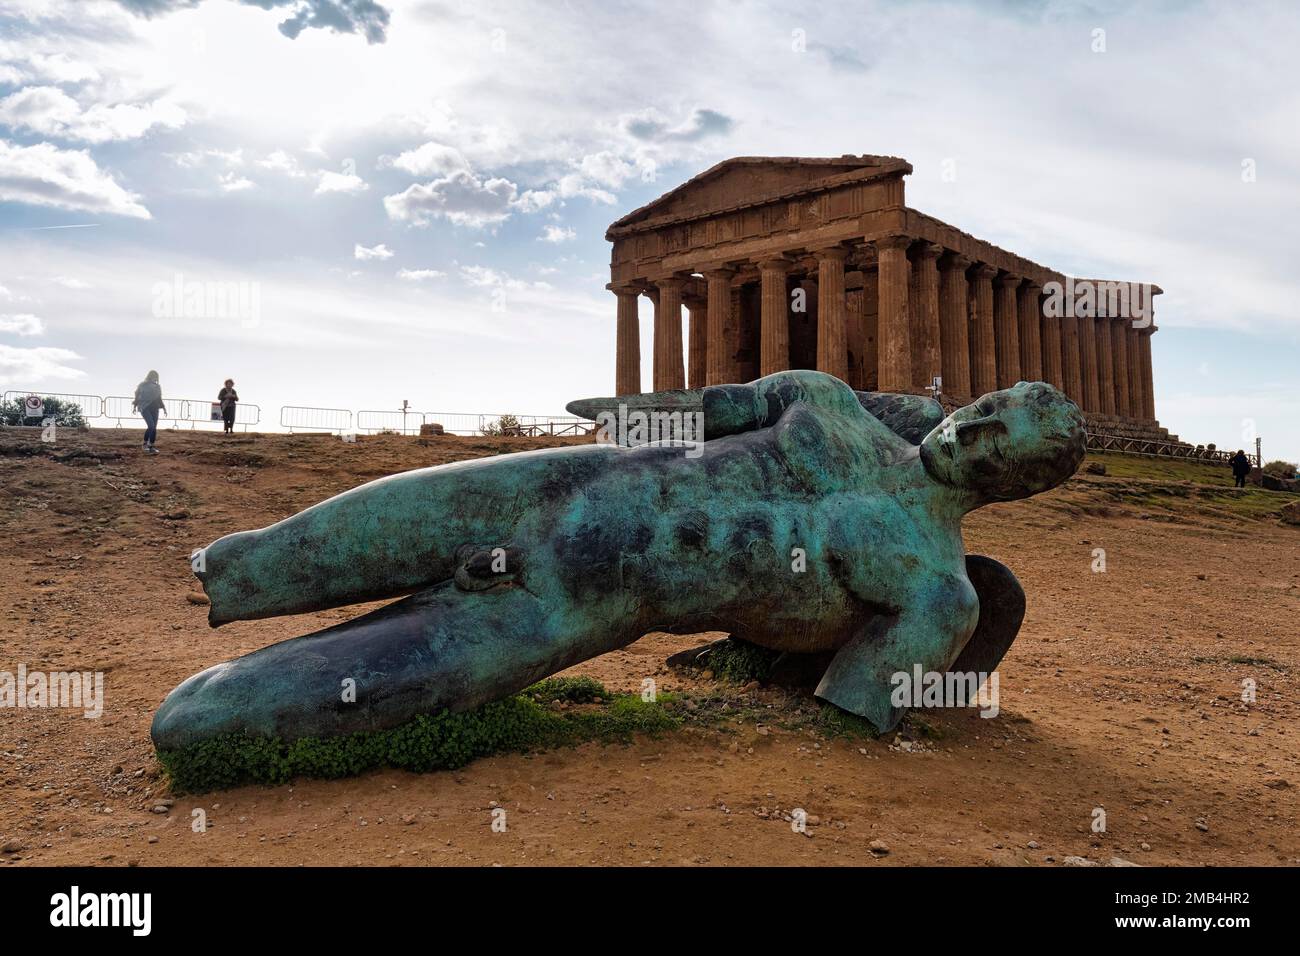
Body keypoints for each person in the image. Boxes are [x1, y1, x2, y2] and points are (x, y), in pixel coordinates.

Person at [154, 372, 1086, 749]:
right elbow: (707, 408)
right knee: (258, 560)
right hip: (564, 482)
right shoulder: (826, 402)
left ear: (1020, 486)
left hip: (584, 601)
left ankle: (228, 714)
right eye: (991, 405)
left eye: (1004, 443)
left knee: (200, 719)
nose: (976, 429)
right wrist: (622, 412)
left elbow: (847, 716)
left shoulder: (937, 593)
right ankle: (235, 581)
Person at [131, 370, 166, 454]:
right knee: (151, 426)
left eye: (156, 377)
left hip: (155, 408)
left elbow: (159, 398)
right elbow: (137, 395)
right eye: (153, 376)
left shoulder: (158, 387)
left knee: (153, 427)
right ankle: (145, 444)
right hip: (145, 407)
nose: (155, 378)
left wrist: (164, 408)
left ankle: (151, 446)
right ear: (149, 376)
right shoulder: (142, 385)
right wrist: (135, 406)